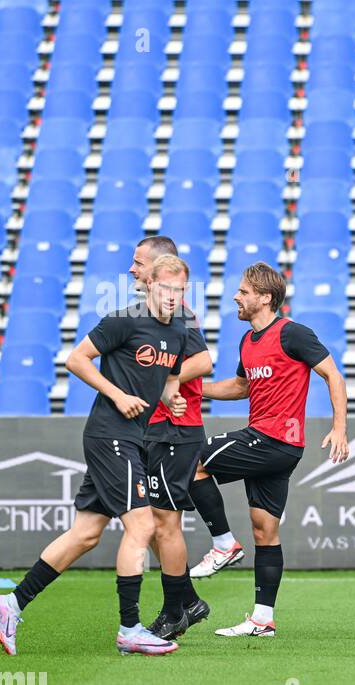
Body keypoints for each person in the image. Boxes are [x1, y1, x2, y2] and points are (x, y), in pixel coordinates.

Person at [0, 254, 191, 655]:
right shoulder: (123, 320)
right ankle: (130, 628)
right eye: (166, 288)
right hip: (110, 435)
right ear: (149, 284)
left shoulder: (180, 332)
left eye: (180, 290)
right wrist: (118, 394)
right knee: (143, 526)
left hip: (132, 437)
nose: (173, 297)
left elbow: (167, 380)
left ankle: (11, 603)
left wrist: (174, 398)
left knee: (85, 534)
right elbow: (76, 359)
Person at [194, 262, 350, 637]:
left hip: (273, 438)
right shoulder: (247, 342)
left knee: (191, 460)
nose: (236, 296)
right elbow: (240, 387)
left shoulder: (293, 333)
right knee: (265, 531)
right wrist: (193, 389)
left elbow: (333, 374)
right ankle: (262, 618)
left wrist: (340, 427)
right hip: (274, 446)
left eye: (244, 291)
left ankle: (223, 545)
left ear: (265, 297)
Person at [137, 253, 213, 641]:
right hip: (152, 428)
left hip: (175, 430)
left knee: (164, 522)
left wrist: (166, 380)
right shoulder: (141, 318)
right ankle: (188, 600)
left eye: (138, 262)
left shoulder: (180, 315)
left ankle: (174, 613)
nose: (132, 269)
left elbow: (204, 360)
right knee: (150, 521)